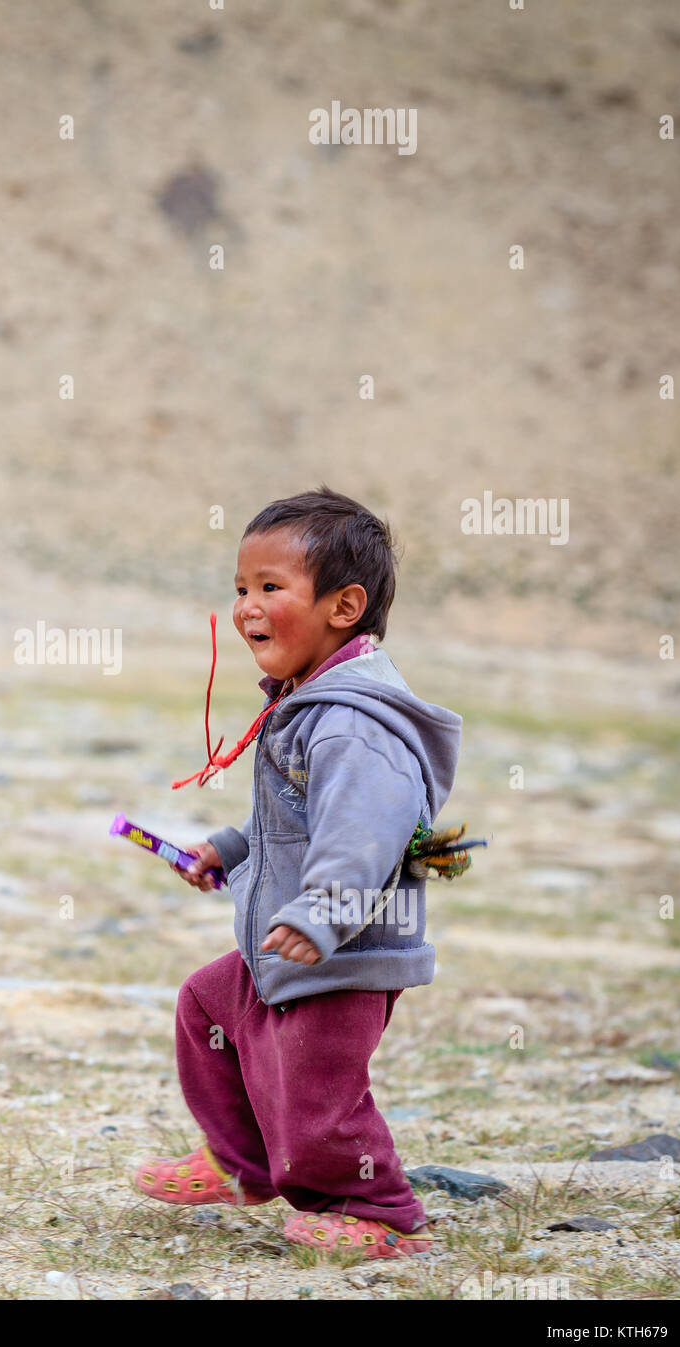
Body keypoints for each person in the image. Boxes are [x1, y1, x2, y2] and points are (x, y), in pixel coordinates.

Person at [134, 487, 463, 1260]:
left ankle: (378, 1210)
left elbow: (365, 839)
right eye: (241, 589)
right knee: (208, 1007)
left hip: (343, 947)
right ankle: (243, 1161)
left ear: (344, 607)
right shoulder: (309, 703)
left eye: (270, 588)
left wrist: (322, 914)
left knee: (317, 1093)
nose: (247, 606)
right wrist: (232, 848)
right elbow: (293, 818)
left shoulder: (352, 723)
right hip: (296, 936)